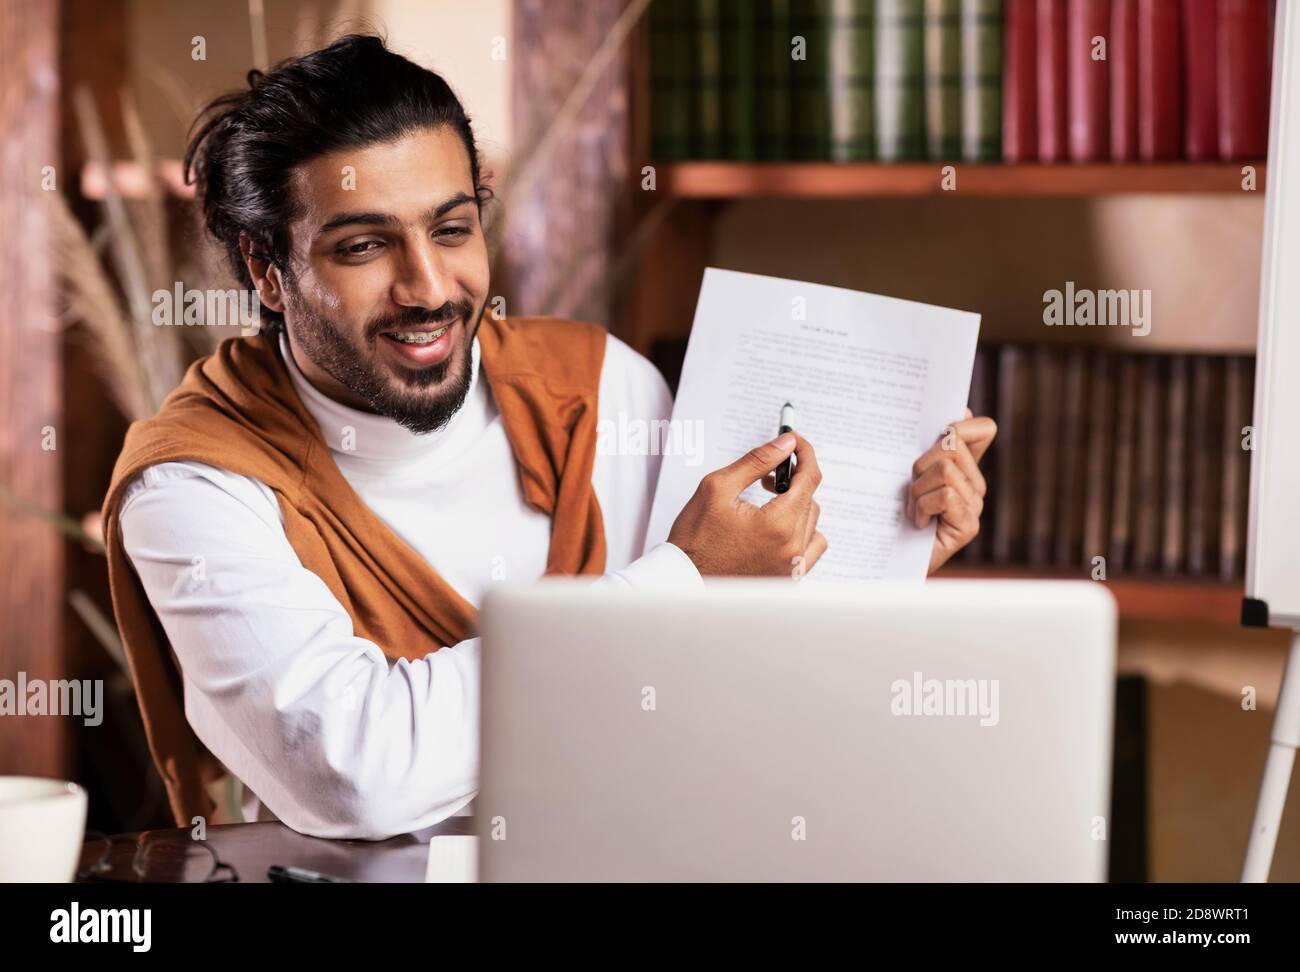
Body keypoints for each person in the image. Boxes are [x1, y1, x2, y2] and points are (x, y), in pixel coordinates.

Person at [101, 34, 995, 840]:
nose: (428, 287)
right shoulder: (192, 486)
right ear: (268, 270)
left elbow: (731, 686)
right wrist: (685, 579)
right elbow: (353, 771)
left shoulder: (599, 386)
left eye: (452, 229)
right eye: (365, 247)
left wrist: (894, 550)